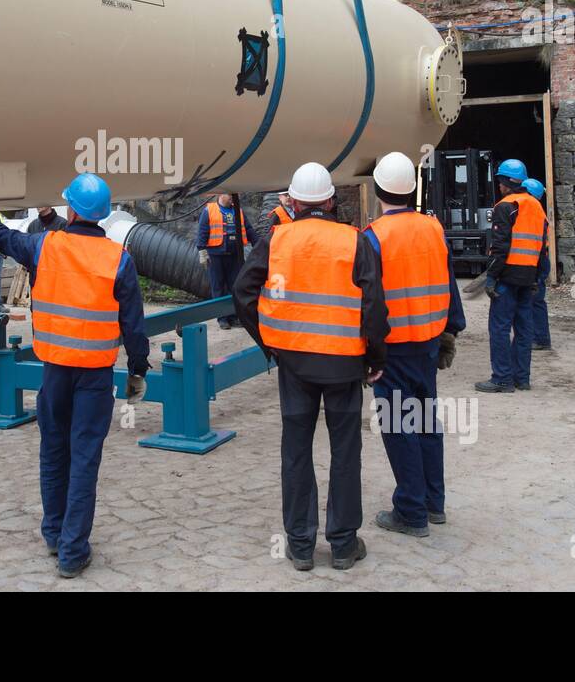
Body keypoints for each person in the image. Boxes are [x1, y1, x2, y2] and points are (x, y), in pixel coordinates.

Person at [0, 175, 150, 578]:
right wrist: (137, 370)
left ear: (73, 210)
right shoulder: (119, 259)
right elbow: (133, 325)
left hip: (55, 373)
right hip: (95, 377)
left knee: (54, 450)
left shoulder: (45, 246)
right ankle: (72, 550)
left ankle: (54, 533)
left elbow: (4, 239)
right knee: (84, 457)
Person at [232, 163, 389, 572]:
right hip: (344, 365)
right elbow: (373, 308)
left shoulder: (278, 239)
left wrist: (269, 342)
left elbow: (242, 291)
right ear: (331, 201)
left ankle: (300, 546)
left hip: (295, 364)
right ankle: (342, 544)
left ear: (295, 202)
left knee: (296, 452)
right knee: (345, 452)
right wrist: (375, 359)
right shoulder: (355, 242)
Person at [364, 152, 466, 539]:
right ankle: (433, 503)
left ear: (377, 190)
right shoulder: (433, 229)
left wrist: (367, 352)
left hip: (393, 351)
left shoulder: (372, 237)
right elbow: (448, 281)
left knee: (398, 426)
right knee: (425, 422)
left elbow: (370, 303)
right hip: (426, 345)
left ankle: (410, 511)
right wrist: (450, 330)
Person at [475, 159, 546, 393]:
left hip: (506, 276)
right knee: (524, 329)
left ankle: (502, 379)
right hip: (528, 277)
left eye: (499, 181)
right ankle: (521, 379)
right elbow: (541, 247)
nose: (498, 186)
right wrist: (537, 277)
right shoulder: (536, 207)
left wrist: (492, 277)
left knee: (500, 328)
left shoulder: (505, 206)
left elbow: (500, 246)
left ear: (505, 182)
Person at [195, 191, 252, 329]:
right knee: (218, 287)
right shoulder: (209, 210)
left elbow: (249, 230)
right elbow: (202, 232)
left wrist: (259, 245)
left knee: (235, 286)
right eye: (229, 194)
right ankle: (222, 318)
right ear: (221, 195)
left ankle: (233, 316)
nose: (232, 197)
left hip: (234, 256)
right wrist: (202, 252)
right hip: (216, 256)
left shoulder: (238, 211)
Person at [522, 178, 552, 354]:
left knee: (536, 301)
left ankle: (541, 339)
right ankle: (538, 337)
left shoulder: (535, 214)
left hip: (537, 262)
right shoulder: (536, 213)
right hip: (537, 261)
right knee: (534, 301)